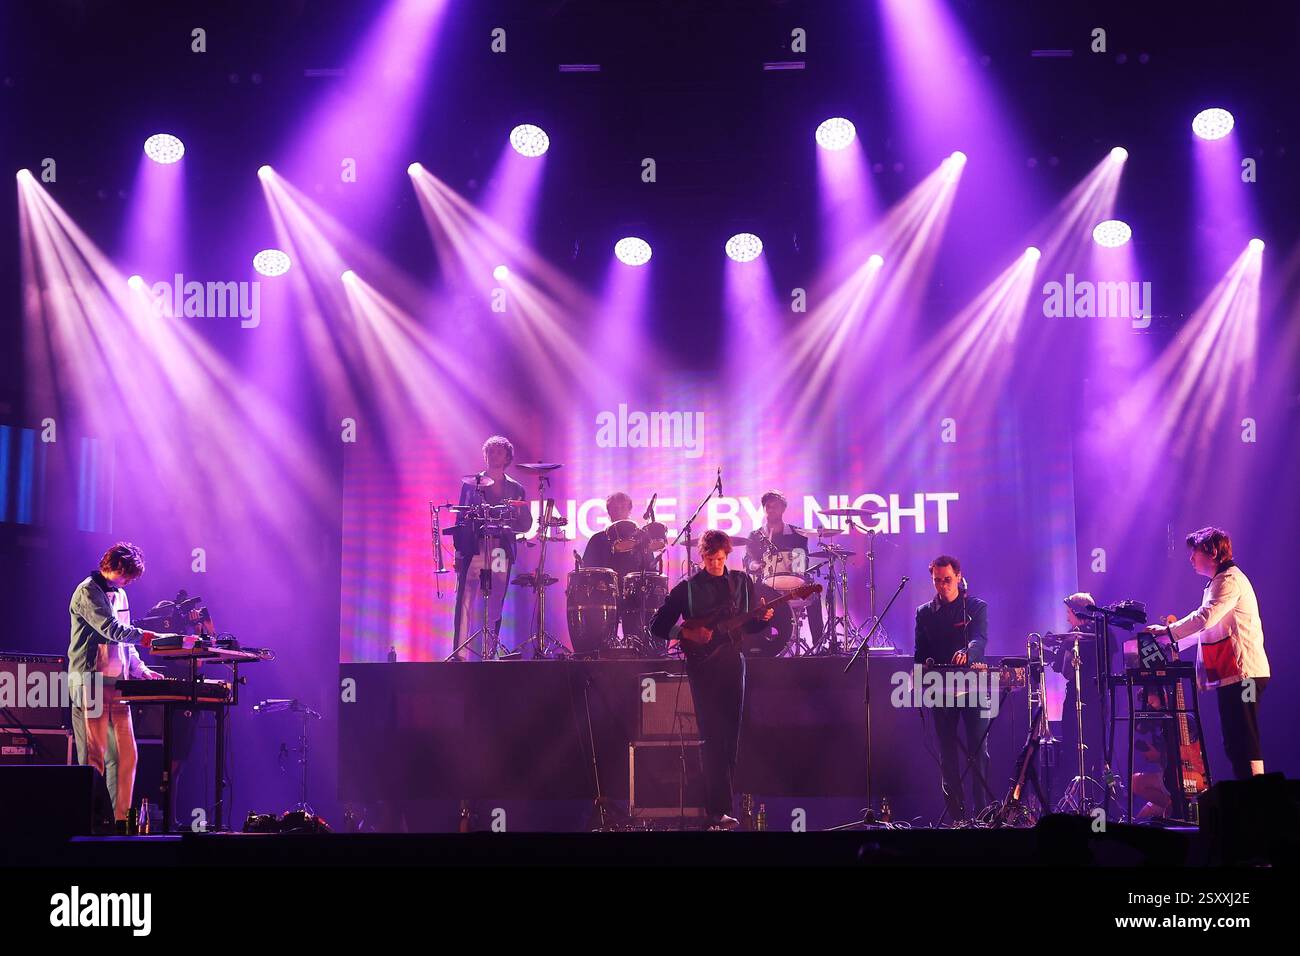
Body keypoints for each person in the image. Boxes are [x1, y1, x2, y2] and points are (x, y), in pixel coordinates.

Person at [649, 529, 772, 830]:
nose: (717, 564)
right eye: (712, 559)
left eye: (721, 559)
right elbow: (657, 624)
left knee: (731, 736)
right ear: (702, 556)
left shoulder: (741, 582)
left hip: (733, 663)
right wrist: (687, 633)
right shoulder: (687, 588)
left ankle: (722, 808)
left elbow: (749, 626)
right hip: (703, 667)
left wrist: (763, 619)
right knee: (713, 736)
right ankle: (716, 811)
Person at [1141, 526, 1269, 780]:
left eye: (1194, 552)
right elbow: (1205, 629)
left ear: (1211, 553)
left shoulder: (1230, 580)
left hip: (1244, 673)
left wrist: (1169, 631)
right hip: (1233, 674)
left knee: (1244, 739)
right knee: (1234, 742)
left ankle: (1257, 797)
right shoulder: (1217, 583)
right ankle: (1249, 796)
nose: (1191, 559)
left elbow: (1205, 618)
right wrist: (1169, 640)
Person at [67, 542, 168, 827]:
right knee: (93, 756)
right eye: (127, 575)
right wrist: (148, 636)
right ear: (115, 567)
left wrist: (140, 668)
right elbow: (111, 630)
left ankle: (120, 821)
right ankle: (89, 821)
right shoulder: (88, 591)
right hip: (91, 681)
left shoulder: (120, 593)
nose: (129, 582)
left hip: (118, 684)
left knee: (127, 756)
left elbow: (125, 642)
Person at [914, 554, 990, 821]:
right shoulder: (924, 613)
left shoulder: (976, 607)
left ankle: (981, 815)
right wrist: (920, 677)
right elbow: (920, 653)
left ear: (958, 576)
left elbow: (980, 639)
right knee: (947, 755)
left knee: (978, 751)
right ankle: (957, 818)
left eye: (947, 580)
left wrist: (968, 652)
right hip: (941, 689)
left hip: (973, 686)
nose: (943, 586)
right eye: (937, 581)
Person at [450, 435, 534, 660]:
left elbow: (526, 523)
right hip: (474, 547)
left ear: (507, 456)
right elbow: (460, 517)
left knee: (495, 599)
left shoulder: (516, 489)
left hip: (500, 549)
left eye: (498, 451)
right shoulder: (471, 484)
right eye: (490, 450)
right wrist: (459, 551)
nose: (493, 454)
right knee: (466, 598)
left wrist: (512, 519)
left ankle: (489, 651)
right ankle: (460, 653)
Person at [745, 490, 823, 646]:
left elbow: (803, 561)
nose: (771, 510)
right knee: (753, 601)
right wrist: (755, 565)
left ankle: (818, 645)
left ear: (783, 509)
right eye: (768, 506)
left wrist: (795, 566)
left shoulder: (798, 534)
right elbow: (748, 560)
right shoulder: (755, 535)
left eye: (775, 506)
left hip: (794, 585)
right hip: (766, 587)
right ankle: (763, 647)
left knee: (814, 597)